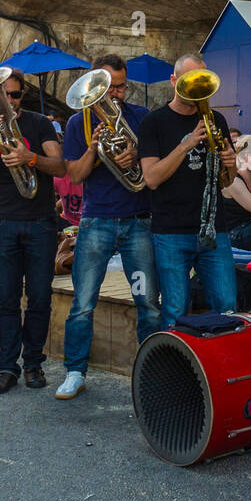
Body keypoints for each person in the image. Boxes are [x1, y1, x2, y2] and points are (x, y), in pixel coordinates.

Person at [60, 53, 161, 398]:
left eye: (120, 86)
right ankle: (75, 371)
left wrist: (135, 155)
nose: (116, 94)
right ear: (94, 85)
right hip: (96, 220)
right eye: (109, 87)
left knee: (146, 301)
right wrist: (94, 149)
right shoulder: (78, 124)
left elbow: (153, 167)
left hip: (138, 220)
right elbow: (74, 174)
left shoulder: (142, 117)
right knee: (83, 302)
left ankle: (152, 369)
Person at [0, 68, 65, 395]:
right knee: (6, 298)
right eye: (2, 95)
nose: (8, 100)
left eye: (14, 95)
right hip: (5, 221)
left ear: (22, 95)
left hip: (40, 222)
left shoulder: (39, 124)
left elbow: (61, 166)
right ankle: (7, 367)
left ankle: (33, 363)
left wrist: (30, 157)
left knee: (39, 296)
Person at [138, 53, 238, 329]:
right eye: (190, 80)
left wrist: (231, 164)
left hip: (213, 230)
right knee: (174, 311)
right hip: (171, 231)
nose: (198, 88)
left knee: (228, 307)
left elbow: (227, 182)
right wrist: (186, 144)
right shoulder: (153, 122)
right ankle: (176, 369)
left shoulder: (216, 119)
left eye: (202, 80)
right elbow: (152, 178)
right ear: (174, 80)